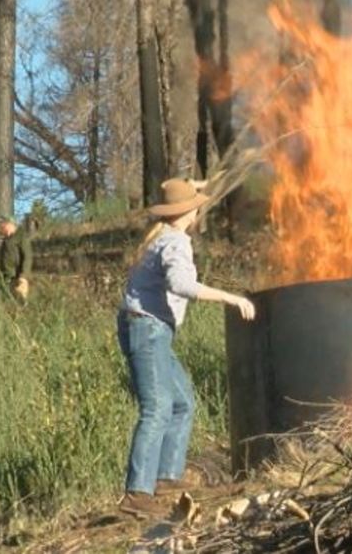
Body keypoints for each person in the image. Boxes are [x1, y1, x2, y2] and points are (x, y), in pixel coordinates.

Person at [117, 177, 256, 518]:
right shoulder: (175, 242)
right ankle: (136, 493)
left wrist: (192, 186)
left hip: (153, 329)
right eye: (196, 205)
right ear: (190, 213)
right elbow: (181, 284)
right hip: (147, 329)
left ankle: (165, 479)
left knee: (182, 402)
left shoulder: (162, 235)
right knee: (158, 407)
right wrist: (229, 297)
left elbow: (180, 187)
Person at [0, 216, 33, 303]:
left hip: (17, 278)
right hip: (5, 277)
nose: (3, 231)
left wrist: (23, 276)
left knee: (19, 303)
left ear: (10, 225)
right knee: (4, 304)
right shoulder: (6, 238)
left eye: (4, 228)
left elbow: (27, 257)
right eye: (1, 229)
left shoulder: (22, 236)